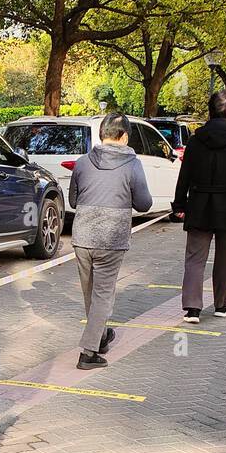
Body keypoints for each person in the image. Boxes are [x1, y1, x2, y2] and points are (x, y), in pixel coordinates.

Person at [68, 111, 152, 368]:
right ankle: (89, 352)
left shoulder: (82, 162)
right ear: (124, 136)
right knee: (103, 294)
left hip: (82, 236)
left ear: (102, 134)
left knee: (90, 293)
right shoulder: (132, 164)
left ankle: (101, 335)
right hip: (112, 238)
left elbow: (72, 200)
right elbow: (144, 203)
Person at [173, 89, 226, 322]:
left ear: (209, 112)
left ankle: (192, 308)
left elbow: (185, 175)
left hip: (199, 202)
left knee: (195, 258)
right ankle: (222, 304)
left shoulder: (196, 141)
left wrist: (179, 204)